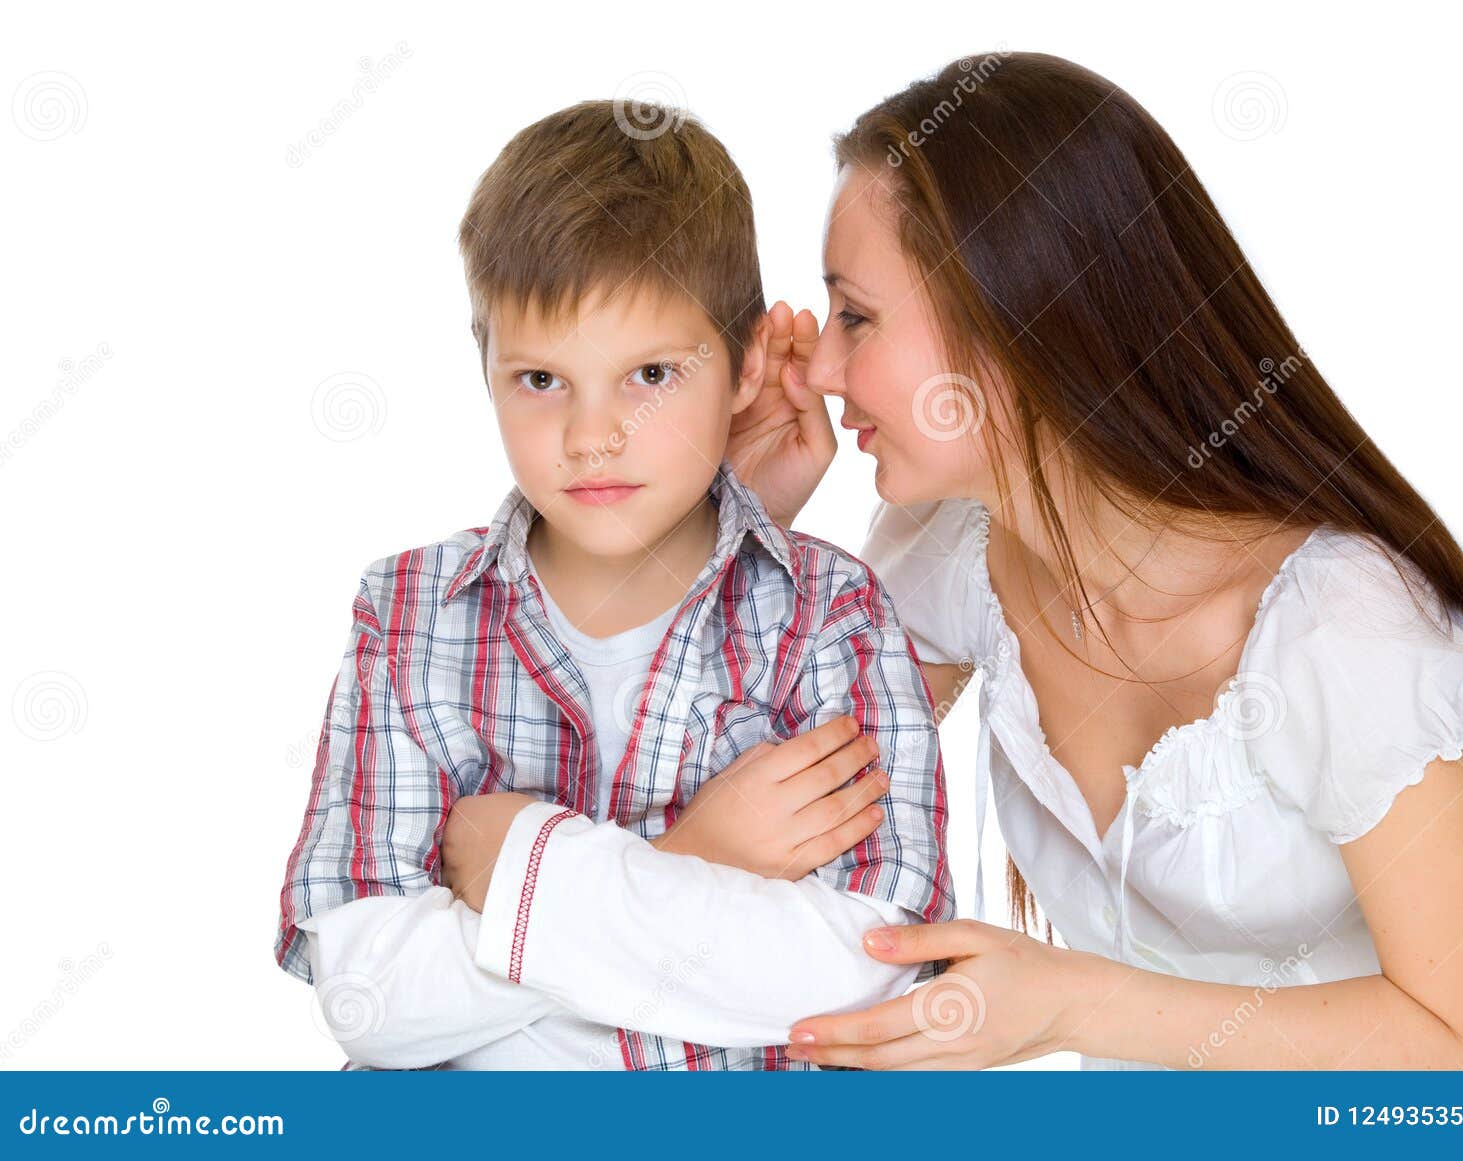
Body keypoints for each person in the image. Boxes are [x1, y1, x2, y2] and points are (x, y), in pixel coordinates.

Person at [727, 51, 1463, 1069]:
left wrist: (1065, 1006)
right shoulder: (953, 554)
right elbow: (772, 815)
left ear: (1019, 319)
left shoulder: (1335, 624)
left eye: (856, 317)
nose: (821, 367)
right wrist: (737, 512)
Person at [273, 100, 954, 1071]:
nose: (592, 435)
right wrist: (695, 860)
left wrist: (526, 880)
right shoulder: (413, 613)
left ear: (748, 361)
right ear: (486, 367)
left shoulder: (827, 618)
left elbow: (868, 974)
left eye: (649, 375)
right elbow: (367, 996)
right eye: (543, 380)